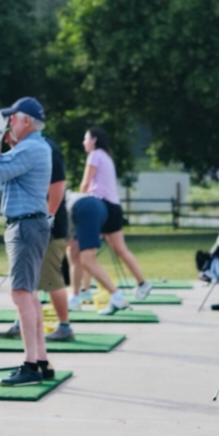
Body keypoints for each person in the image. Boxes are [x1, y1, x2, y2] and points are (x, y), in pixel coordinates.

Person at [0, 97, 53, 386]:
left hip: (25, 226)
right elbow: (4, 170)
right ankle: (42, 361)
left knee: (21, 294)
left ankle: (30, 365)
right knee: (30, 294)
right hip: (30, 224)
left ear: (26, 121)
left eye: (13, 118)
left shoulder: (32, 147)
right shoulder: (34, 146)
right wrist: (6, 143)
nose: (9, 121)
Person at [0, 134, 75, 343]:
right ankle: (21, 322)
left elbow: (58, 186)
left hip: (49, 227)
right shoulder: (26, 150)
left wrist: (47, 217)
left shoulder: (46, 148)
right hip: (32, 225)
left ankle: (65, 326)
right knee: (26, 280)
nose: (8, 140)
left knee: (51, 278)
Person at [73, 126, 152, 313]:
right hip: (114, 207)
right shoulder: (106, 156)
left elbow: (86, 182)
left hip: (100, 207)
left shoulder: (95, 155)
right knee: (119, 250)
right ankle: (142, 282)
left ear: (94, 140)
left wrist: (77, 204)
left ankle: (84, 291)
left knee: (84, 249)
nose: (84, 142)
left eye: (86, 138)